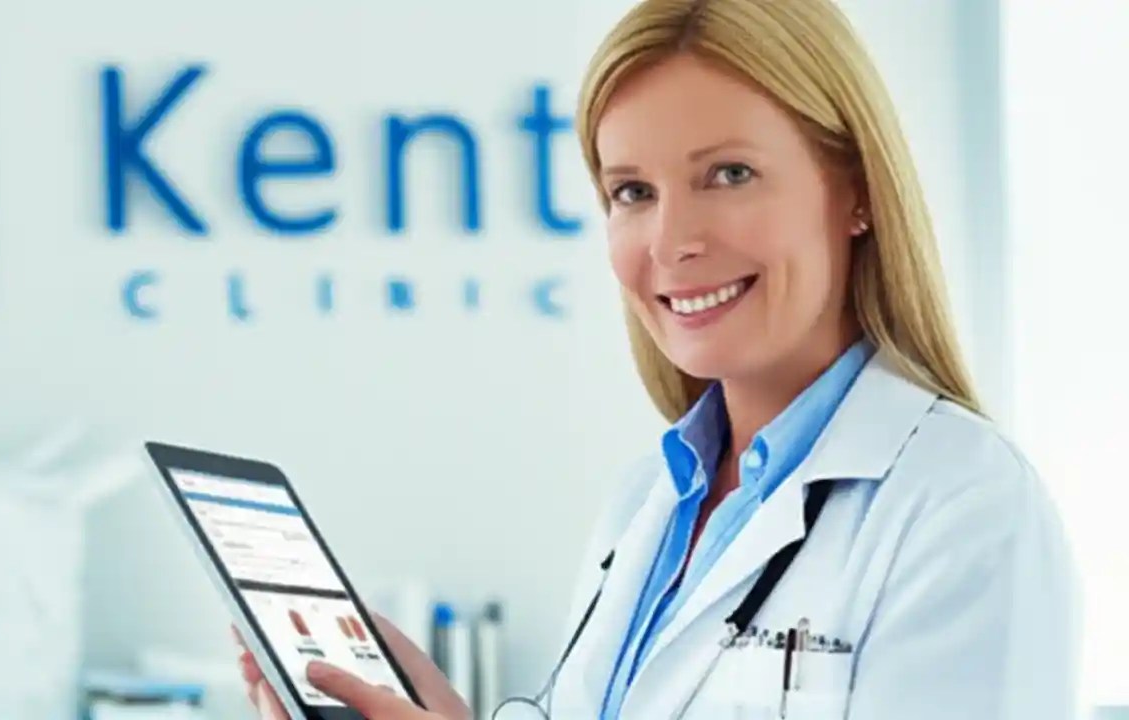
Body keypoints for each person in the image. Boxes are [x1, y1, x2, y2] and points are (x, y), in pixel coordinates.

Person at [235, 0, 1081, 717]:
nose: (672, 242)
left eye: (729, 174)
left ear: (855, 190)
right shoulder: (649, 502)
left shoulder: (962, 508)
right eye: (632, 192)